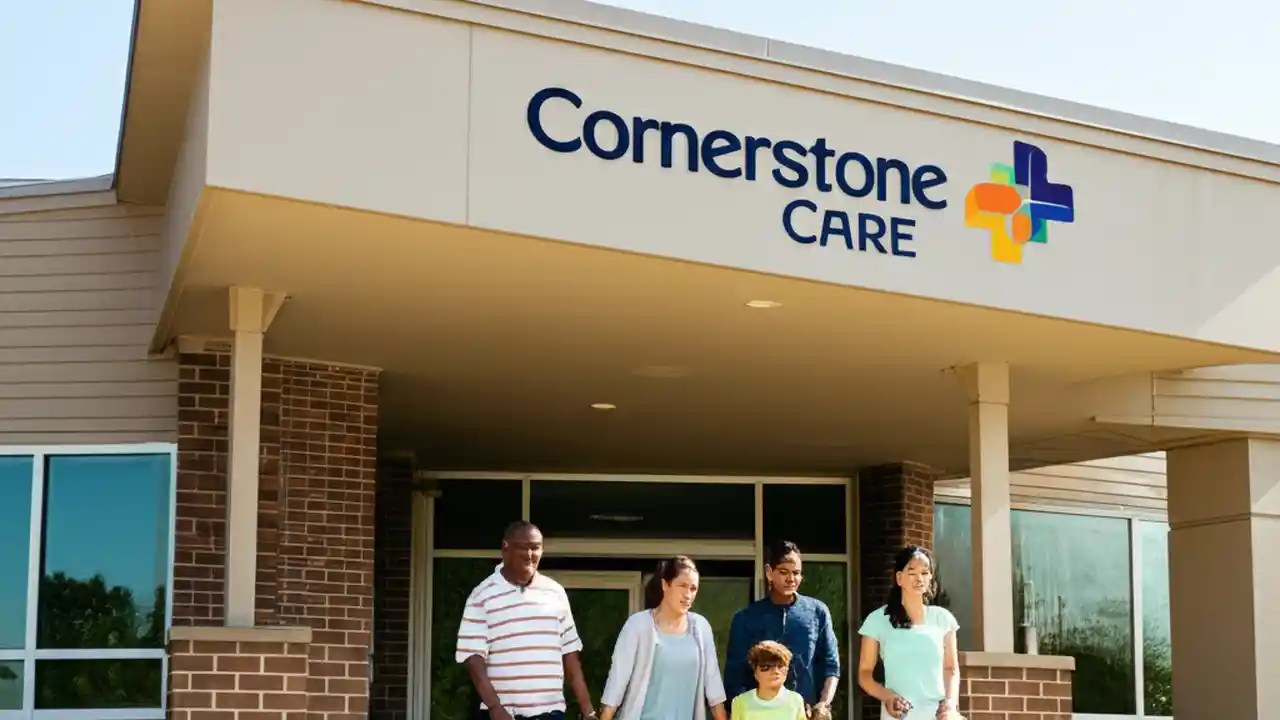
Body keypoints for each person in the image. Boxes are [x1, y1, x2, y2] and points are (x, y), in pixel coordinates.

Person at [456, 521, 598, 720]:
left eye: (536, 548)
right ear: (505, 548)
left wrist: (588, 710)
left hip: (551, 714)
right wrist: (495, 707)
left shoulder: (555, 592)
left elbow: (570, 654)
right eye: (523, 547)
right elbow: (473, 658)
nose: (530, 554)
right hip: (503, 715)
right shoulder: (482, 596)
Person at [599, 555, 728, 720]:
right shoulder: (638, 625)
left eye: (693, 588)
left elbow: (714, 685)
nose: (688, 595)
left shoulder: (701, 627)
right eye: (682, 586)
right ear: (665, 584)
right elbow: (616, 682)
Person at [725, 540, 840, 718]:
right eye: (784, 572)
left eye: (797, 573)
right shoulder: (746, 618)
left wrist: (823, 704)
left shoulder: (817, 612)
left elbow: (831, 666)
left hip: (806, 713)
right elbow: (734, 676)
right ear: (769, 572)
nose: (791, 579)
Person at [856, 545, 961, 720]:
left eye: (925, 573)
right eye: (912, 572)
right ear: (899, 578)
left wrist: (950, 704)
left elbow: (951, 668)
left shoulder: (943, 618)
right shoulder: (877, 620)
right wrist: (887, 696)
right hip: (899, 715)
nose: (919, 578)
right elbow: (864, 673)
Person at [729, 641, 808, 720]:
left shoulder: (795, 701)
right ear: (755, 673)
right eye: (766, 666)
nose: (775, 671)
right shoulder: (740, 703)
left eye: (780, 666)